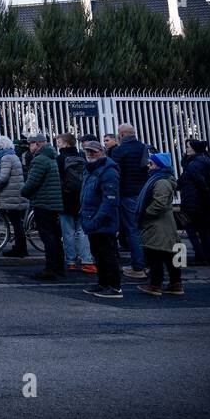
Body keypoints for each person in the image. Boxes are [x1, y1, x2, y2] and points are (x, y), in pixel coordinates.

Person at [80, 140, 123, 299]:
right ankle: (103, 283)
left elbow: (110, 200)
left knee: (107, 254)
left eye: (93, 151)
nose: (90, 154)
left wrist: (97, 219)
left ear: (102, 152)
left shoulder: (108, 171)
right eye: (88, 151)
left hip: (103, 221)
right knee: (98, 254)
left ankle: (114, 287)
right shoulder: (90, 170)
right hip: (92, 219)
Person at [137, 153, 182, 297]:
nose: (148, 166)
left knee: (154, 253)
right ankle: (176, 284)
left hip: (157, 224)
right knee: (169, 254)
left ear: (159, 165)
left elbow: (160, 203)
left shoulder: (161, 181)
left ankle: (155, 285)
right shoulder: (161, 179)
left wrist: (146, 213)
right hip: (163, 224)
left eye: (151, 163)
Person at [21, 133, 64, 280]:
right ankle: (59, 267)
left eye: (30, 144)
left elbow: (33, 182)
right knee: (55, 237)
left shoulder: (40, 159)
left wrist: (24, 191)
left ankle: (50, 268)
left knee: (48, 237)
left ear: (37, 144)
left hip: (43, 202)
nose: (29, 147)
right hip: (53, 203)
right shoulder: (51, 157)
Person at [111, 123, 150, 280]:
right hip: (144, 193)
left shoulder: (119, 150)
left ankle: (138, 266)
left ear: (121, 134)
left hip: (127, 194)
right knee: (144, 229)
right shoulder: (144, 148)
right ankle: (148, 263)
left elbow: (116, 173)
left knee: (132, 231)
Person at [56, 135, 95, 275]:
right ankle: (87, 260)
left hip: (66, 198)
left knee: (68, 232)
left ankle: (71, 261)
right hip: (82, 198)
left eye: (59, 142)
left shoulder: (60, 159)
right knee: (83, 231)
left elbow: (58, 180)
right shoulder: (81, 157)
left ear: (66, 143)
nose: (58, 144)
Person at [177, 138, 210, 265]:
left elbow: (187, 181)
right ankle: (209, 257)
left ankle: (200, 256)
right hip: (201, 202)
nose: (186, 149)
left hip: (191, 202)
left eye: (189, 147)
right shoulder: (202, 161)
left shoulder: (193, 165)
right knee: (203, 230)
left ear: (195, 149)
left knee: (190, 228)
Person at [0, 136, 27, 257]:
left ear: (0, 146)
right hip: (15, 193)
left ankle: (20, 249)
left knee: (16, 223)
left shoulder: (6, 158)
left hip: (11, 194)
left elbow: (3, 177)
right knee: (17, 222)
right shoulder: (13, 156)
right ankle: (21, 247)